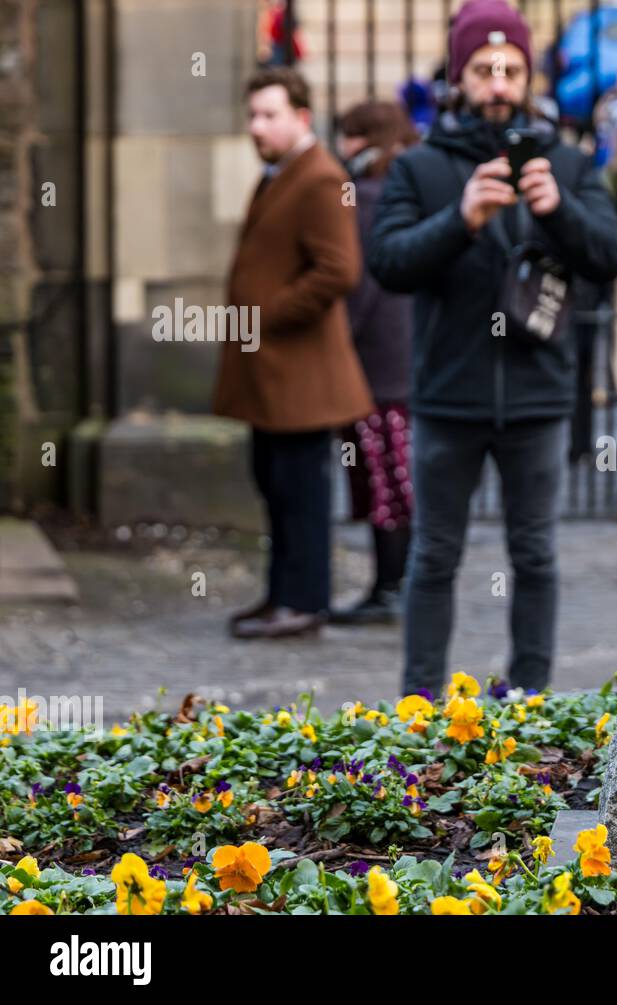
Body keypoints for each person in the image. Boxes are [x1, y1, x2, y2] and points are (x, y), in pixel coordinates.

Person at [368, 0, 617, 696]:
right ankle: (420, 705)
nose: (499, 83)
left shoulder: (568, 165)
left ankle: (532, 701)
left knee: (535, 555)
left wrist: (558, 211)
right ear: (459, 79)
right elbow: (388, 262)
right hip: (448, 396)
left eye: (511, 68)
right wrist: (461, 219)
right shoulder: (420, 169)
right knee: (435, 556)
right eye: (483, 69)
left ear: (529, 76)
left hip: (540, 396)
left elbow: (610, 255)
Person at [213, 67, 373, 640]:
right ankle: (281, 594)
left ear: (300, 117)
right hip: (273, 374)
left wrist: (270, 314)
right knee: (275, 484)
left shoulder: (320, 177)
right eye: (252, 114)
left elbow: (339, 269)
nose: (257, 126)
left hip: (302, 374)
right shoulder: (280, 173)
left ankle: (305, 602)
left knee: (301, 492)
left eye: (269, 114)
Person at [331, 101, 421, 625]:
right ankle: (393, 584)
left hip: (376, 365)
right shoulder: (405, 190)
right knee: (397, 480)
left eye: (348, 136)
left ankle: (387, 588)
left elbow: (359, 289)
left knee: (384, 483)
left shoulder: (364, 197)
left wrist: (336, 344)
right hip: (407, 361)